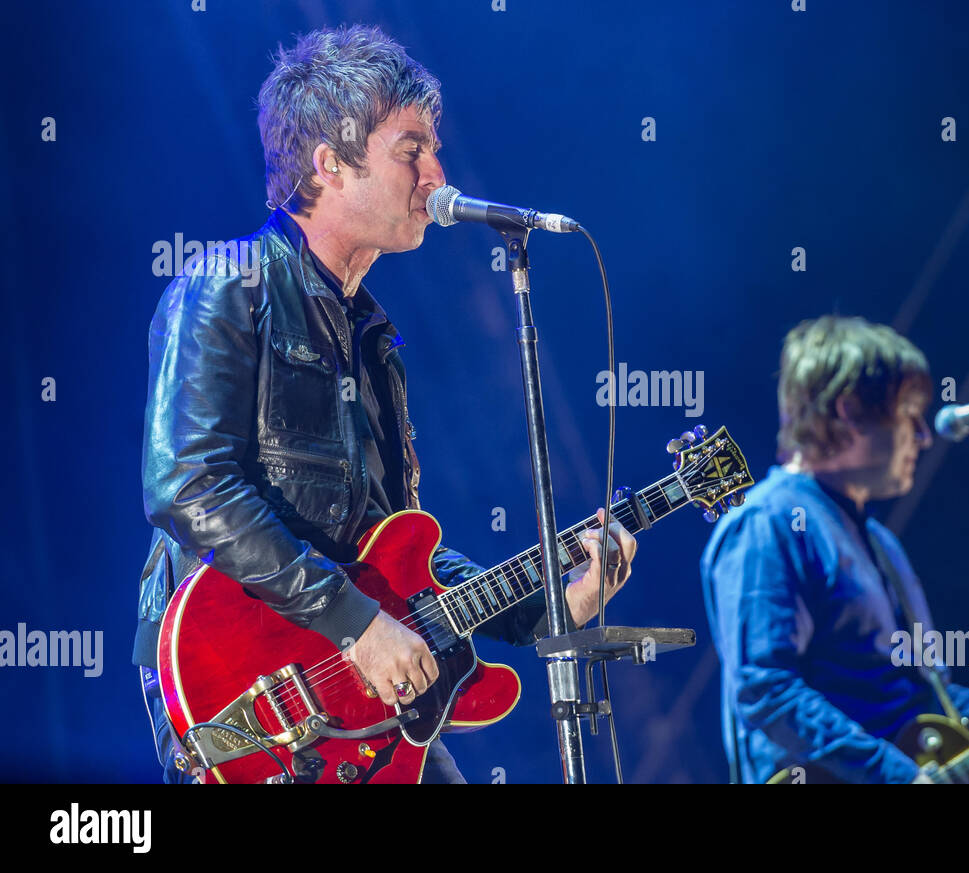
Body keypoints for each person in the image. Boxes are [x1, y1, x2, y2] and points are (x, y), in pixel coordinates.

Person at [133, 24, 636, 783]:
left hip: (355, 693)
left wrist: (554, 603)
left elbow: (397, 553)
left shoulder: (372, 336)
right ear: (329, 162)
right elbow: (188, 485)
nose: (437, 174)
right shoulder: (228, 285)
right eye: (412, 150)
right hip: (251, 689)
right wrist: (356, 622)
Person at [699, 315, 969, 783]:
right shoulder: (768, 523)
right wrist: (894, 776)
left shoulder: (880, 544)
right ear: (851, 409)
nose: (922, 434)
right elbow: (766, 688)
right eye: (909, 413)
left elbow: (928, 703)